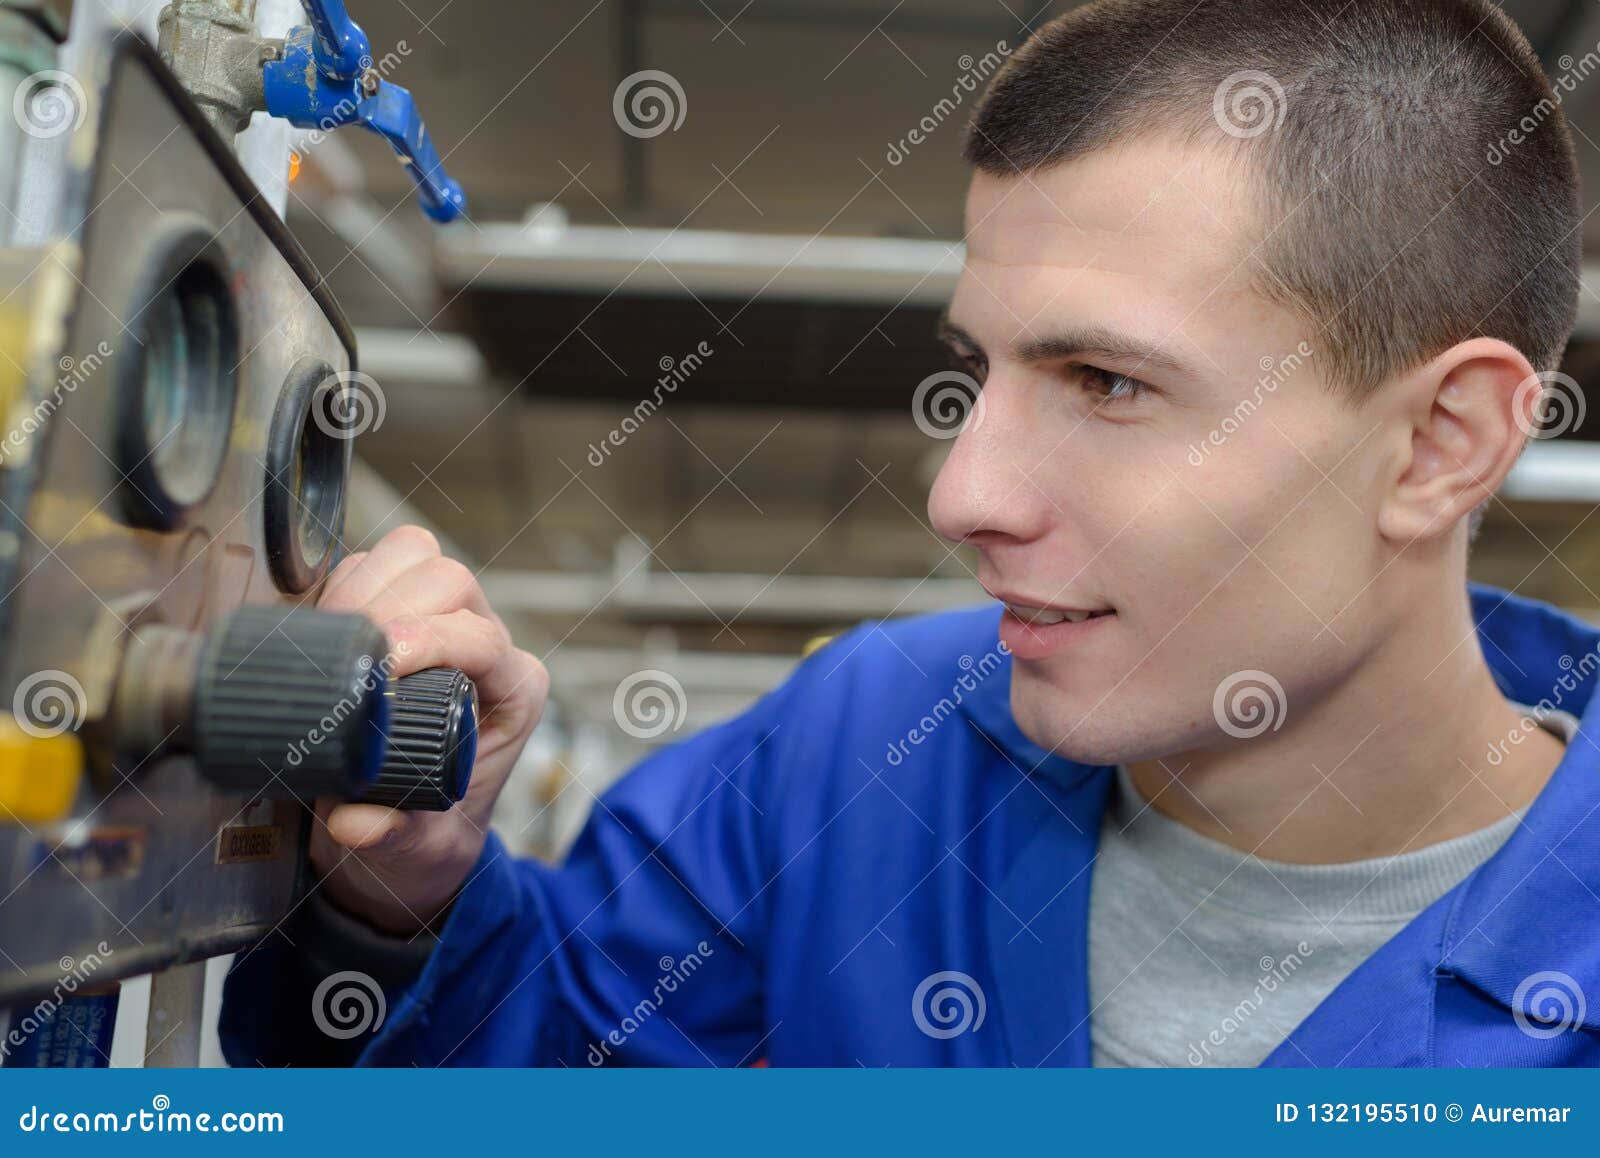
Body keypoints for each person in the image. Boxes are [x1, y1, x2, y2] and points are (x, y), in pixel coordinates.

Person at [222, 0, 1600, 1066]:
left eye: (1107, 382)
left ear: (1443, 442)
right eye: (979, 368)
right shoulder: (861, 751)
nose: (961, 496)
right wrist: (404, 894)